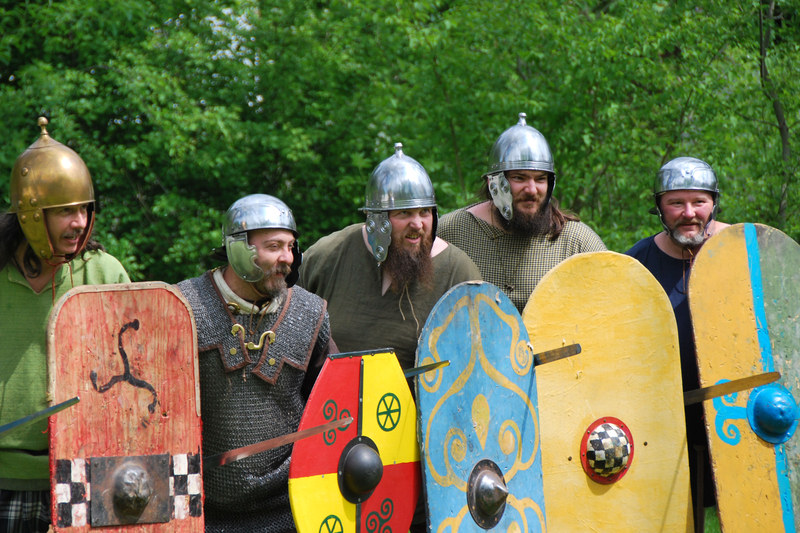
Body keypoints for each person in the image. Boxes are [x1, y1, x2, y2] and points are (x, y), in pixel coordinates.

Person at [177, 194, 337, 533]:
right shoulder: (183, 308)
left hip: (290, 510)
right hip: (202, 513)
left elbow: (335, 406)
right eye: (274, 246)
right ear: (238, 249)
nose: (287, 259)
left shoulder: (310, 315)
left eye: (291, 247)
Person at [0, 118, 130, 532]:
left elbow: (137, 375)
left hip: (85, 470)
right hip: (4, 477)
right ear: (32, 215)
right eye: (64, 212)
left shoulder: (104, 274)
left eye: (83, 209)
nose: (78, 222)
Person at [298, 143, 481, 373]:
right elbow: (288, 327)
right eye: (404, 213)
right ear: (377, 220)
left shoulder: (458, 272)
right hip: (333, 406)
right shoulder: (327, 256)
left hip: (415, 407)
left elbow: (476, 363)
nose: (417, 224)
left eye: (424, 212)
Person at [625, 156, 729, 523]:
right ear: (659, 208)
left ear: (714, 203)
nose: (689, 213)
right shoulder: (637, 263)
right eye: (676, 203)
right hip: (663, 421)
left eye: (698, 202)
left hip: (738, 413)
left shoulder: (742, 252)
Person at [437, 113, 606, 313]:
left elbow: (614, 307)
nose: (532, 189)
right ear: (496, 183)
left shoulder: (576, 242)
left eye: (540, 179)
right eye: (520, 178)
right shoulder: (451, 231)